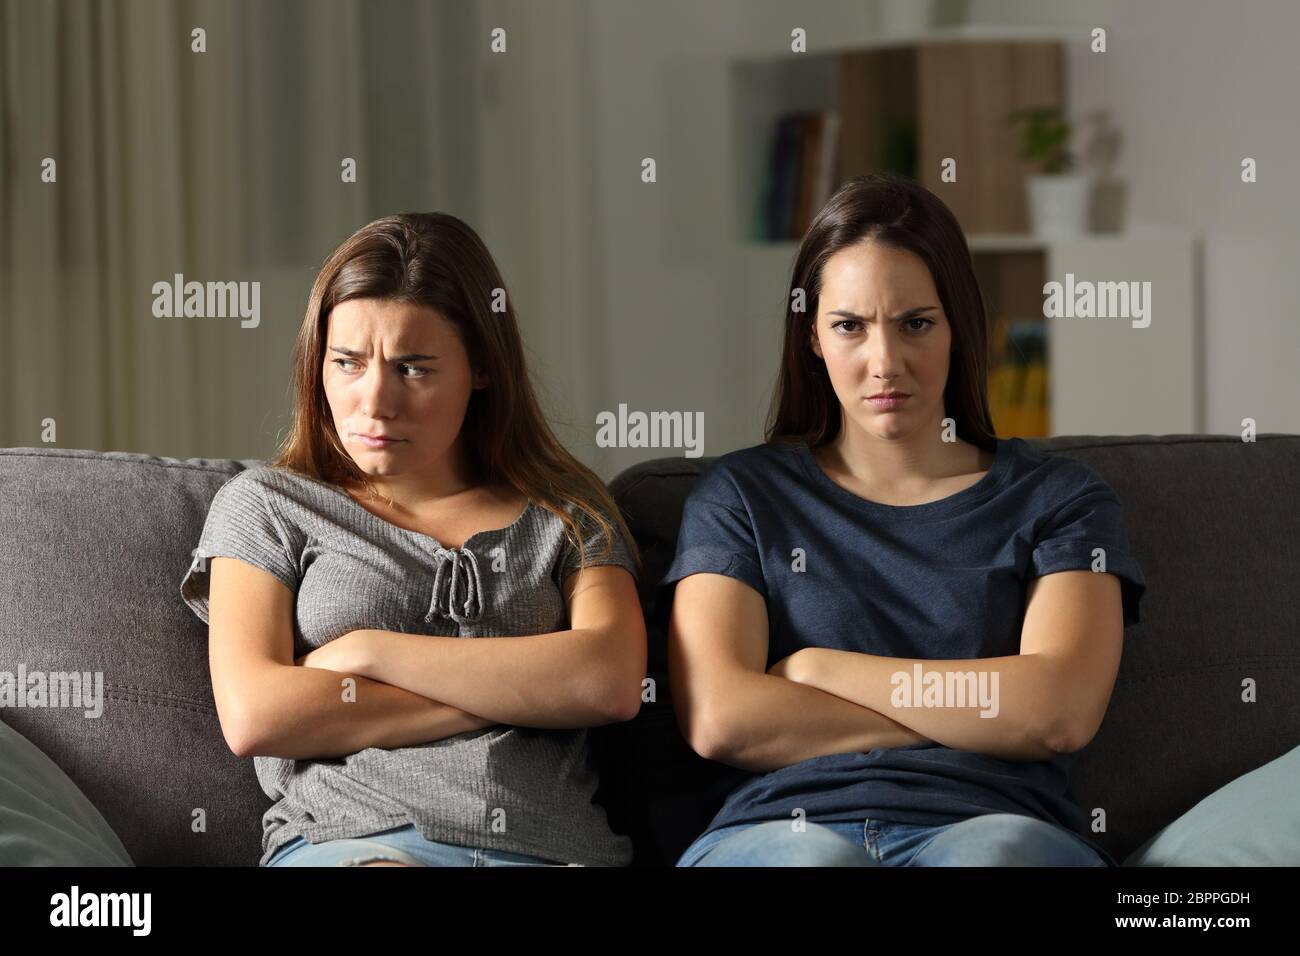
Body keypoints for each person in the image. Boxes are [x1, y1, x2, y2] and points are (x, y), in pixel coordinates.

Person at [661, 172, 1147, 867]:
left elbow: (1059, 713)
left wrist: (813, 669)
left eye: (915, 323)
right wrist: (976, 712)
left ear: (957, 328)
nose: (884, 363)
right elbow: (722, 719)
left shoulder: (1059, 498)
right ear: (813, 340)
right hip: (780, 832)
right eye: (850, 327)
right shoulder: (740, 495)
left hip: (991, 824)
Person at [180, 212, 646, 867]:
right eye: (346, 363)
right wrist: (518, 696)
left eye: (414, 368)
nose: (375, 402)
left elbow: (610, 681)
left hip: (550, 852)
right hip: (356, 842)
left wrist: (371, 653)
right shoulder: (265, 506)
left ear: (480, 367)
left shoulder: (568, 511)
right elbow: (257, 714)